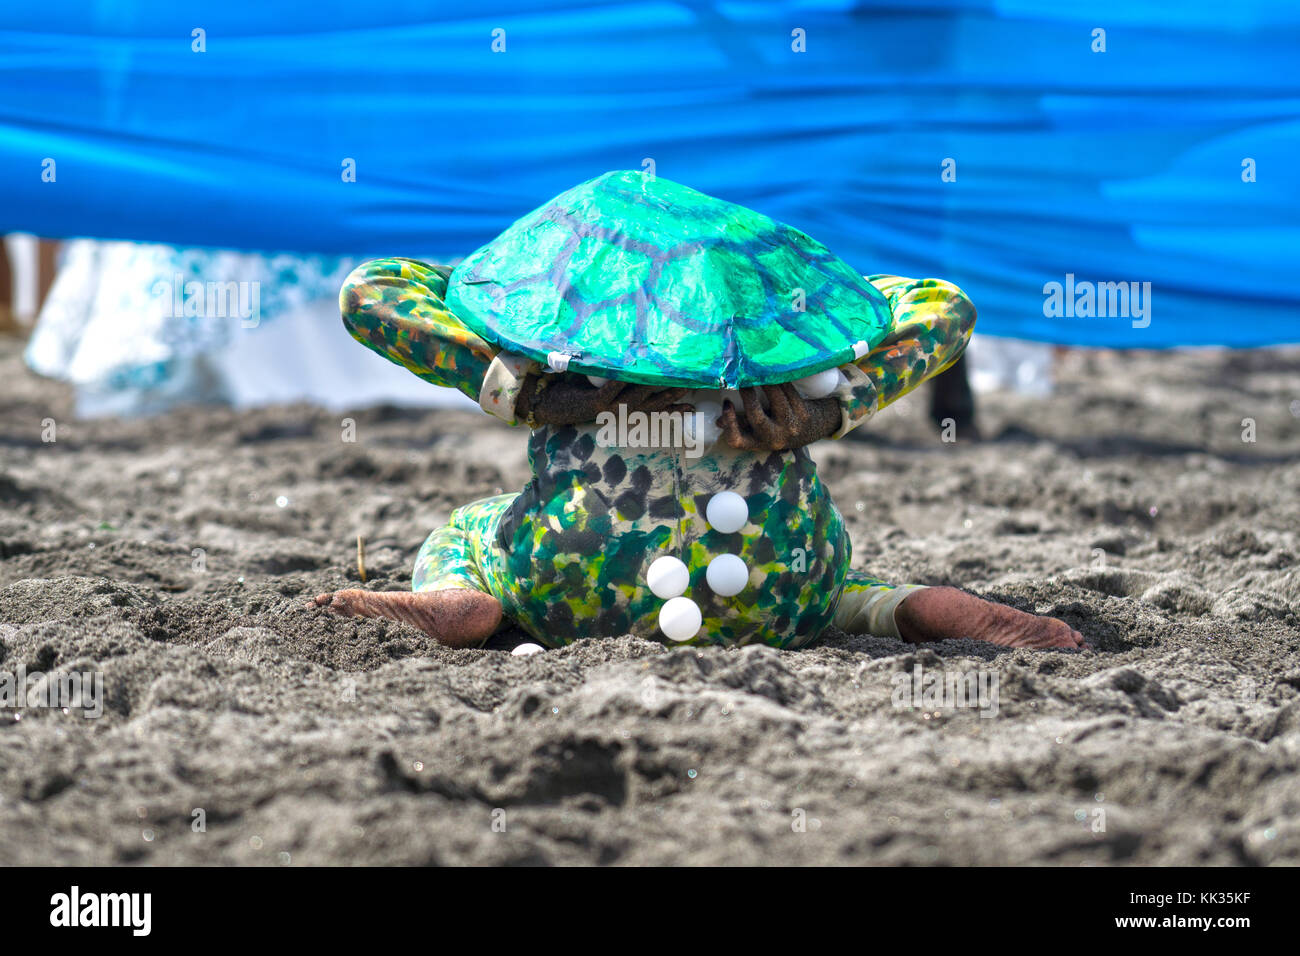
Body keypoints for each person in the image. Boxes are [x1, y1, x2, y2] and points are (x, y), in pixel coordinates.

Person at [313, 258, 1084, 652]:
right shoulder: (775, 319)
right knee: (840, 592)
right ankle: (906, 609)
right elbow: (945, 306)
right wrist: (828, 406)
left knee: (471, 528)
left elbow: (371, 293)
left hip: (582, 576)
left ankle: (462, 598)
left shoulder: (566, 324)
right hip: (770, 578)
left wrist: (528, 387)